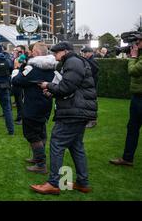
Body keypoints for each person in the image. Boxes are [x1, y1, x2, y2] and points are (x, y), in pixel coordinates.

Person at [31, 42, 97, 195]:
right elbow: (71, 87)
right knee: (76, 146)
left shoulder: (72, 62)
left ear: (65, 51)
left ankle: (53, 183)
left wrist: (48, 85)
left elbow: (67, 87)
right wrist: (53, 91)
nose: (54, 56)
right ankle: (82, 182)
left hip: (74, 111)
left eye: (56, 53)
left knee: (57, 142)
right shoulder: (75, 61)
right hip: (78, 110)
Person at [12, 42, 57, 174]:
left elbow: (17, 81)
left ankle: (41, 164)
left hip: (32, 105)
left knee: (31, 134)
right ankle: (37, 158)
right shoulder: (53, 67)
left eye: (32, 52)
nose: (30, 54)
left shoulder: (32, 68)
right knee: (41, 131)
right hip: (46, 104)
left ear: (36, 53)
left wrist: (17, 68)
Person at [110, 33, 142, 167]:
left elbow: (133, 71)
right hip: (137, 97)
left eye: (139, 41)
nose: (136, 44)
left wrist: (133, 57)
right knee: (132, 128)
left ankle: (127, 158)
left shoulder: (138, 57)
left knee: (133, 128)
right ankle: (127, 158)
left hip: (140, 98)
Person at [81, 46, 100, 129]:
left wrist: (86, 60)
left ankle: (92, 121)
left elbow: (95, 69)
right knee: (87, 103)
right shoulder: (89, 60)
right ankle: (88, 119)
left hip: (92, 85)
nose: (84, 54)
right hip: (89, 85)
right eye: (84, 52)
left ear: (90, 52)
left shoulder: (93, 60)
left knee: (91, 103)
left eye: (86, 52)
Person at [12, 45, 27, 125]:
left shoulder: (24, 57)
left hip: (21, 79)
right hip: (15, 79)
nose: (16, 51)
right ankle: (18, 117)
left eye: (18, 50)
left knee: (21, 100)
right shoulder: (16, 58)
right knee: (17, 100)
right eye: (15, 50)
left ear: (22, 51)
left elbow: (23, 67)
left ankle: (22, 118)